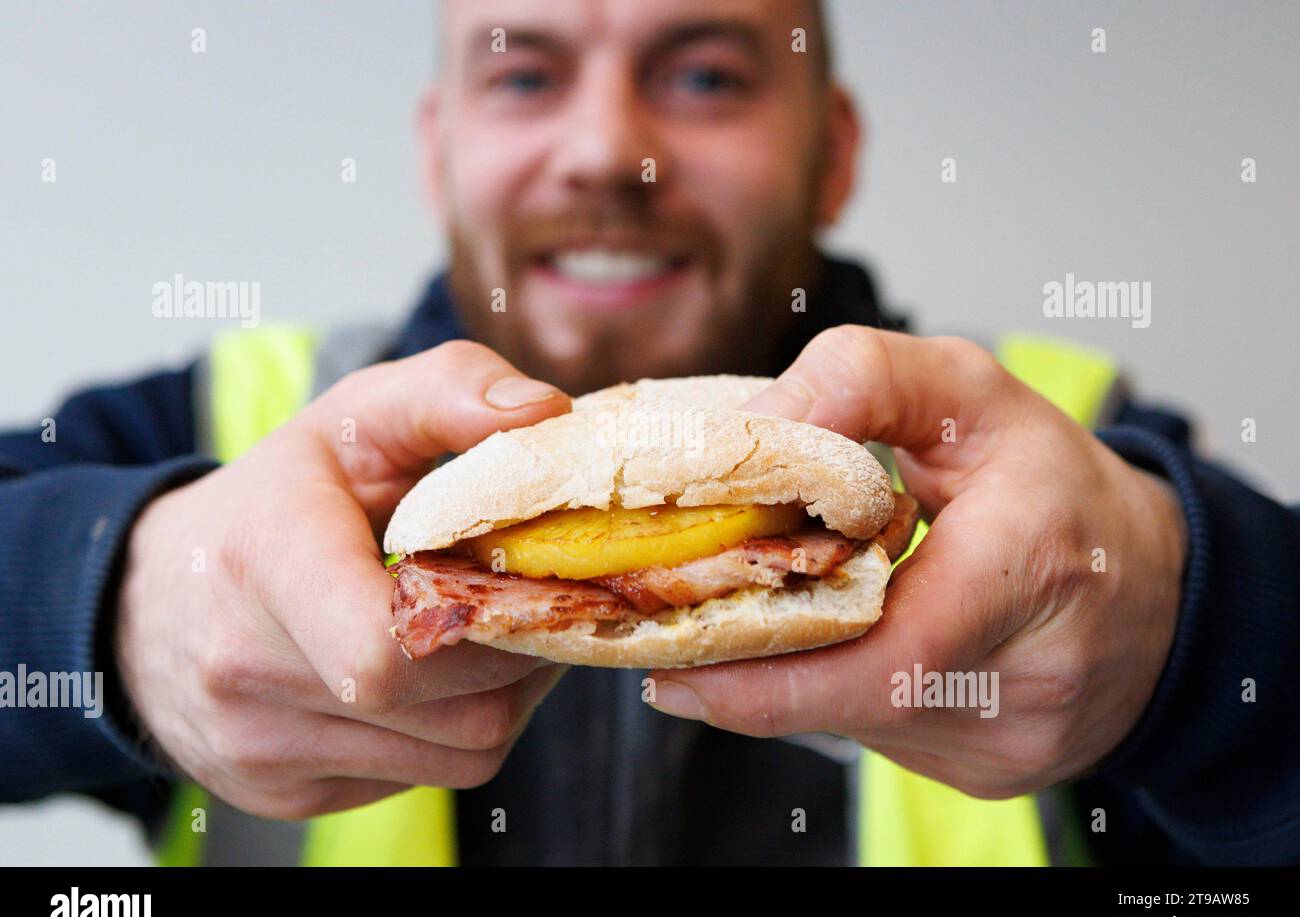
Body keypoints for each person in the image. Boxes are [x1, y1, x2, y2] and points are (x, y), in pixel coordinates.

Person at [1, 0, 1296, 866]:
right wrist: (114, 602)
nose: (610, 149)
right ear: (436, 149)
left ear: (832, 153)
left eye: (706, 75)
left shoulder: (1077, 449)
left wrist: (1191, 634)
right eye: (523, 71)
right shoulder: (236, 425)